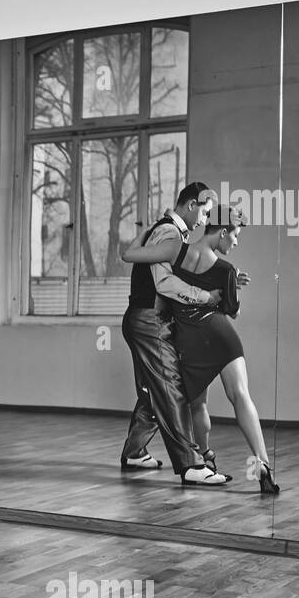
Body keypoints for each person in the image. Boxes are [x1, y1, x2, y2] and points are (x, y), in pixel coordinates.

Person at [121, 205, 279, 493]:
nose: (235, 241)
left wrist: (145, 232)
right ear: (221, 232)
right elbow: (232, 312)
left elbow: (129, 255)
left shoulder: (174, 251)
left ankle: (205, 460)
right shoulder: (226, 269)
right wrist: (232, 288)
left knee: (198, 403)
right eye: (234, 236)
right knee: (240, 394)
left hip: (188, 340)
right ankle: (262, 464)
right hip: (220, 336)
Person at [119, 182, 232, 486]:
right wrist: (204, 296)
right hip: (150, 320)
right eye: (206, 213)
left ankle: (134, 452)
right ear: (192, 204)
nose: (205, 221)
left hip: (143, 319)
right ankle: (191, 465)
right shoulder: (169, 232)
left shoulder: (170, 231)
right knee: (171, 388)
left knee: (152, 392)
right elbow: (164, 284)